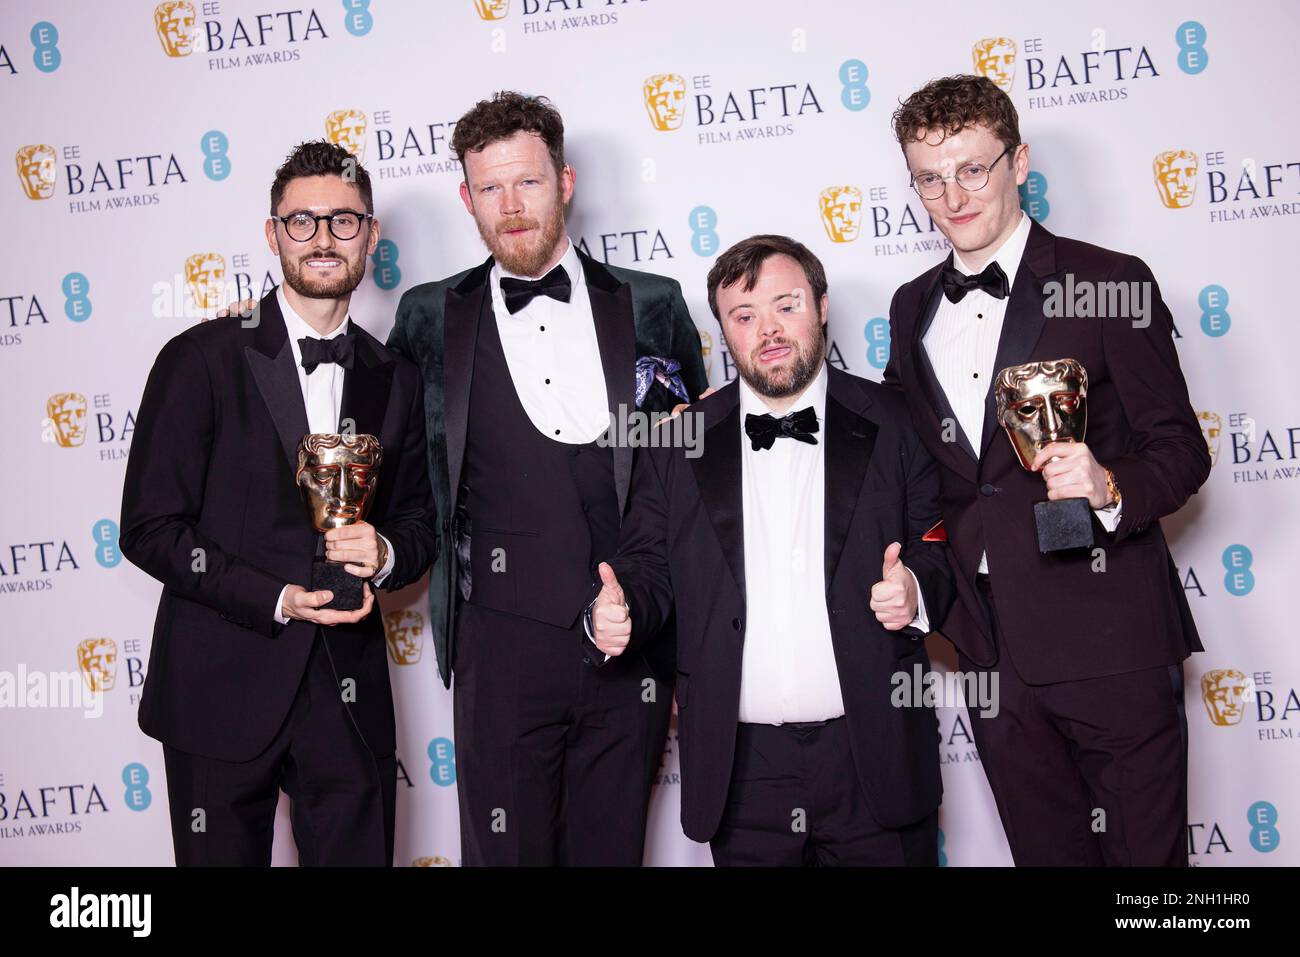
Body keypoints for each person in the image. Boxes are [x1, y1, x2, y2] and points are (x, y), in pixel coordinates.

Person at [884, 74, 1210, 865]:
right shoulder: (910, 304)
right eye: (930, 177)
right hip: (992, 650)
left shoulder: (1108, 280)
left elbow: (1181, 449)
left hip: (1112, 636)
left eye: (972, 169)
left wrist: (1108, 484)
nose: (952, 195)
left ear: (1018, 161)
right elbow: (903, 450)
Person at [387, 92, 708, 865]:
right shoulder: (430, 315)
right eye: (490, 189)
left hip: (630, 639)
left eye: (527, 182)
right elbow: (373, 429)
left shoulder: (654, 304)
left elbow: (694, 471)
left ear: (564, 182)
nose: (511, 206)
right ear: (466, 198)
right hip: (498, 647)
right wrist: (256, 330)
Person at [121, 140, 438, 865]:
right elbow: (147, 528)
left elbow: (419, 524)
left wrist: (386, 552)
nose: (323, 239)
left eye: (343, 221)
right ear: (272, 234)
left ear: (371, 235)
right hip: (216, 688)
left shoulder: (397, 377)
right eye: (302, 221)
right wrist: (276, 596)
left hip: (350, 699)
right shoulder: (198, 358)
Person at [592, 234, 954, 866]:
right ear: (724, 334)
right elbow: (647, 567)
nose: (769, 330)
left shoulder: (896, 420)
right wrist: (619, 611)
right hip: (740, 773)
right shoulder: (678, 442)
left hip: (876, 755)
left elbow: (939, 544)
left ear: (821, 306)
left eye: (786, 306)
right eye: (744, 315)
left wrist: (916, 590)